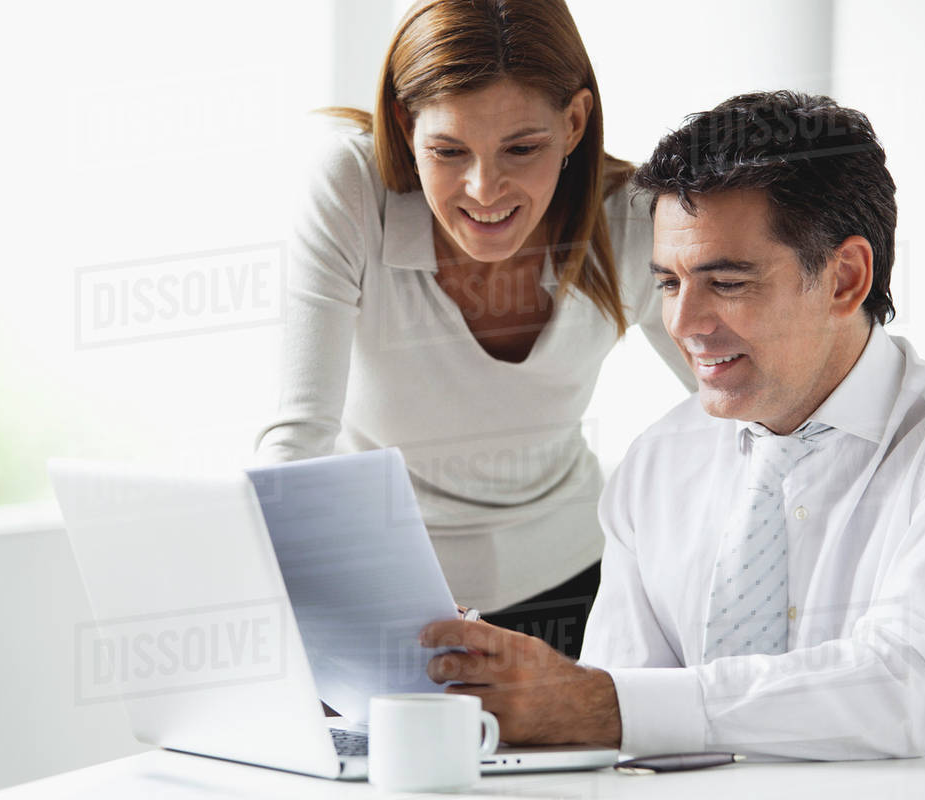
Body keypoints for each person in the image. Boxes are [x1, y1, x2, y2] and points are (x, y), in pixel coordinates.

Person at [420, 90, 925, 760]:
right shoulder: (658, 464)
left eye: (727, 283)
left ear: (845, 278)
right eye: (668, 283)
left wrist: (597, 703)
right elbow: (618, 741)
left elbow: (907, 686)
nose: (683, 323)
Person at [254, 0, 694, 658]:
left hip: (575, 579)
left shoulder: (631, 220)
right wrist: (305, 622)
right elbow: (298, 444)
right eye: (448, 150)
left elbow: (740, 406)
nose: (485, 189)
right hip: (389, 583)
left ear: (574, 123)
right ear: (404, 124)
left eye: (522, 148)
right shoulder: (352, 189)